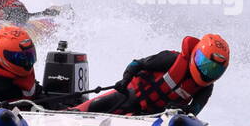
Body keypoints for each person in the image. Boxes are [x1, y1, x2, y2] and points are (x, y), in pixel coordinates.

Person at [77, 34, 229, 116]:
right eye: (205, 63)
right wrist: (125, 80)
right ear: (195, 54)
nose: (207, 71)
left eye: (215, 69)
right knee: (78, 112)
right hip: (128, 96)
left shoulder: (205, 88)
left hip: (151, 118)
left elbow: (194, 111)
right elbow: (136, 64)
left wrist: (181, 109)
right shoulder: (171, 59)